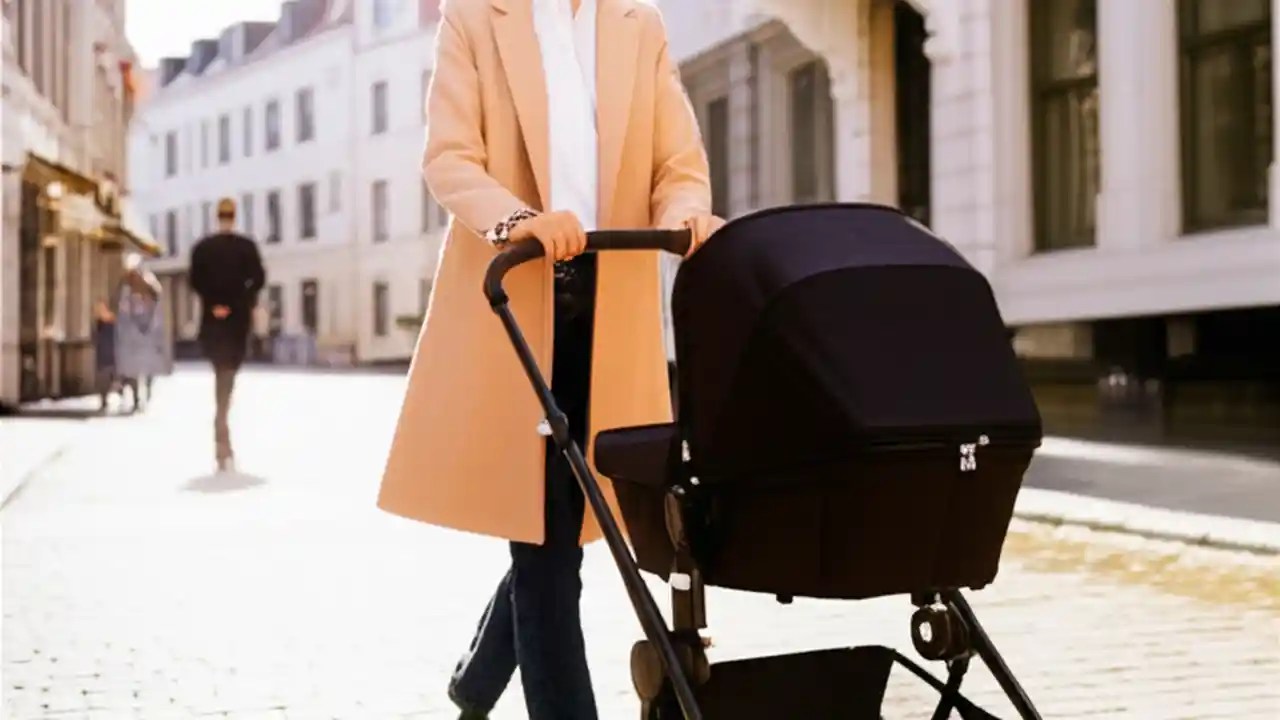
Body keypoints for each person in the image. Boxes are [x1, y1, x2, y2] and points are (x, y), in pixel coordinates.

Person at [377, 1, 721, 718]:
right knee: (548, 542)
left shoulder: (638, 23)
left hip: (614, 301)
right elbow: (450, 157)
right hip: (520, 296)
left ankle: (476, 681)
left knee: (562, 525)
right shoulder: (475, 17)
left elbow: (676, 162)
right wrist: (519, 221)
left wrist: (685, 212)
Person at [189, 198, 265, 472]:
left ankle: (221, 427)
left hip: (212, 322)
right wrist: (236, 302)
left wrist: (214, 304)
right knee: (228, 375)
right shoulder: (246, 248)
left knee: (221, 373)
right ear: (234, 217)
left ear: (217, 217)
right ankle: (222, 426)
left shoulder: (202, 249)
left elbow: (195, 281)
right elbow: (258, 279)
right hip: (236, 323)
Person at [113, 253, 169, 412]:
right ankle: (137, 398)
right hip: (131, 333)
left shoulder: (150, 284)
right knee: (132, 369)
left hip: (147, 332)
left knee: (147, 366)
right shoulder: (124, 286)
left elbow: (157, 306)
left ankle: (146, 393)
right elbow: (120, 307)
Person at [92, 298, 120, 413]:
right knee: (103, 381)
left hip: (113, 355)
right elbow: (94, 338)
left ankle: (131, 397)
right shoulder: (98, 324)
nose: (99, 311)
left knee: (117, 378)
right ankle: (104, 401)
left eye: (101, 308)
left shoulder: (113, 322)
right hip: (102, 356)